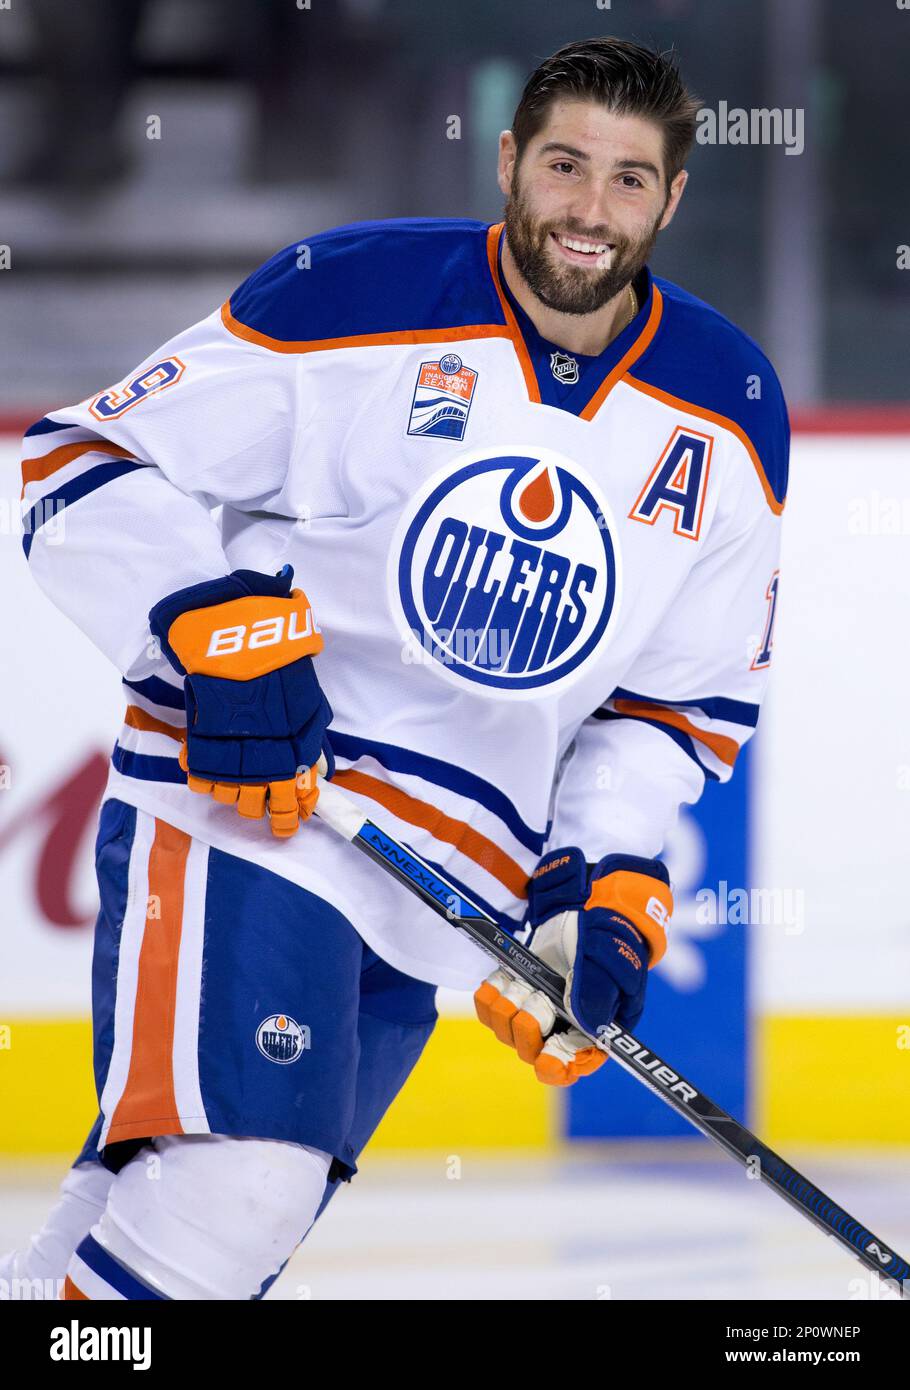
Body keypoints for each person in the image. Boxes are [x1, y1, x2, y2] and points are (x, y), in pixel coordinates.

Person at [7, 36, 787, 1300]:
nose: (591, 209)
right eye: (564, 165)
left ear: (673, 198)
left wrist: (598, 883)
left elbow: (665, 705)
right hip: (252, 815)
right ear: (506, 163)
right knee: (234, 1192)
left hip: (435, 897)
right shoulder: (355, 292)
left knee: (196, 1221)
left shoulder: (729, 407)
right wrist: (209, 625)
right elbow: (76, 461)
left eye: (630, 180)